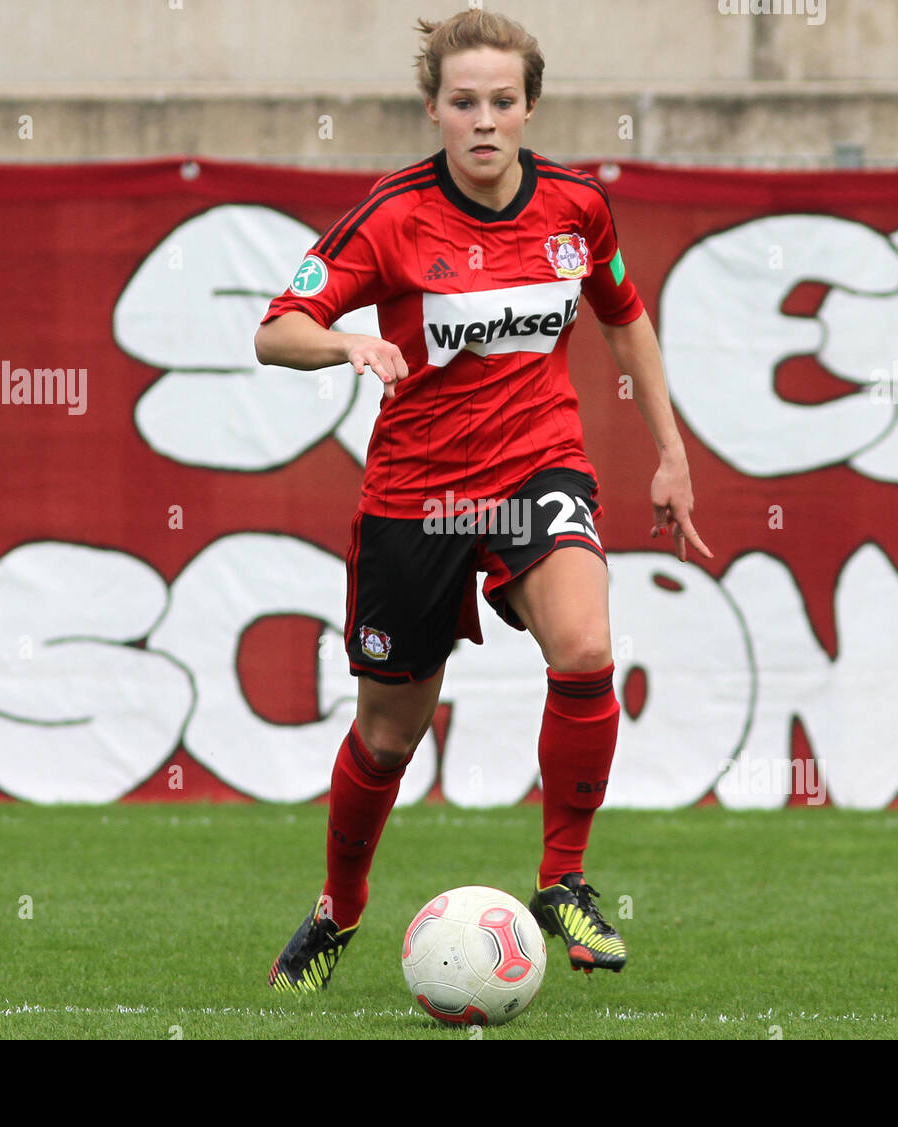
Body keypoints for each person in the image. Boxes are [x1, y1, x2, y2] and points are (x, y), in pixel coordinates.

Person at [253, 7, 711, 993]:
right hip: (416, 496)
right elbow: (276, 328)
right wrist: (348, 341)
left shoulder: (577, 210)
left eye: (503, 101)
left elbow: (625, 320)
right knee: (388, 731)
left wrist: (670, 453)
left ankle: (563, 877)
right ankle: (341, 905)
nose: (485, 120)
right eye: (464, 102)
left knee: (585, 645)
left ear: (530, 105)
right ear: (434, 109)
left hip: (536, 471)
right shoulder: (391, 215)